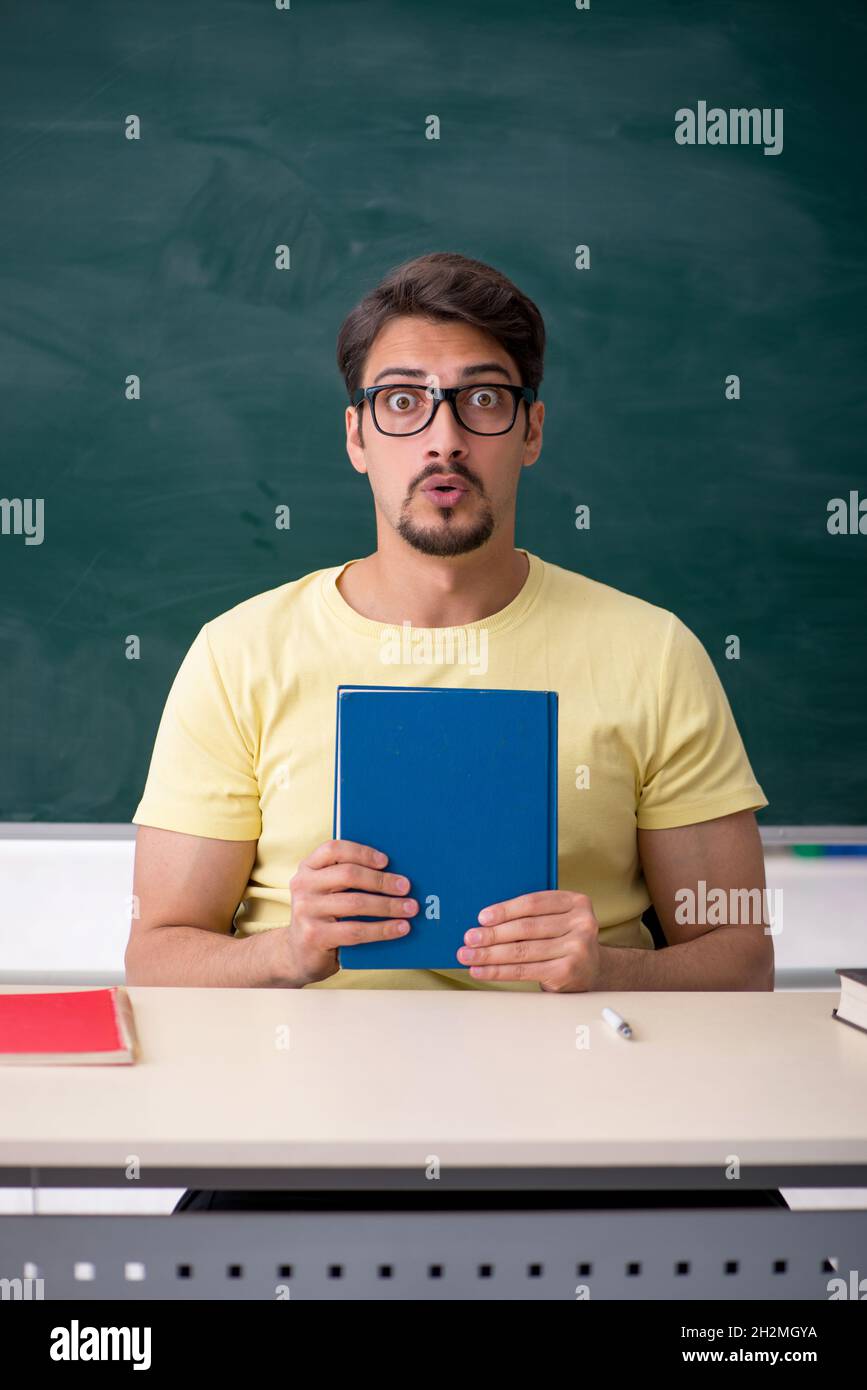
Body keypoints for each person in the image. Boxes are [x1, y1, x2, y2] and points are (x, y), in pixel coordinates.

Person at [125, 251, 784, 1212]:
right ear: (357, 435)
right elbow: (156, 957)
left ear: (531, 433)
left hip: (600, 1123)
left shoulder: (651, 650)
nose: (442, 438)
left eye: (482, 401)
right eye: (402, 402)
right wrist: (286, 951)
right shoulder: (240, 653)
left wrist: (611, 968)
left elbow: (740, 956)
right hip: (304, 1129)